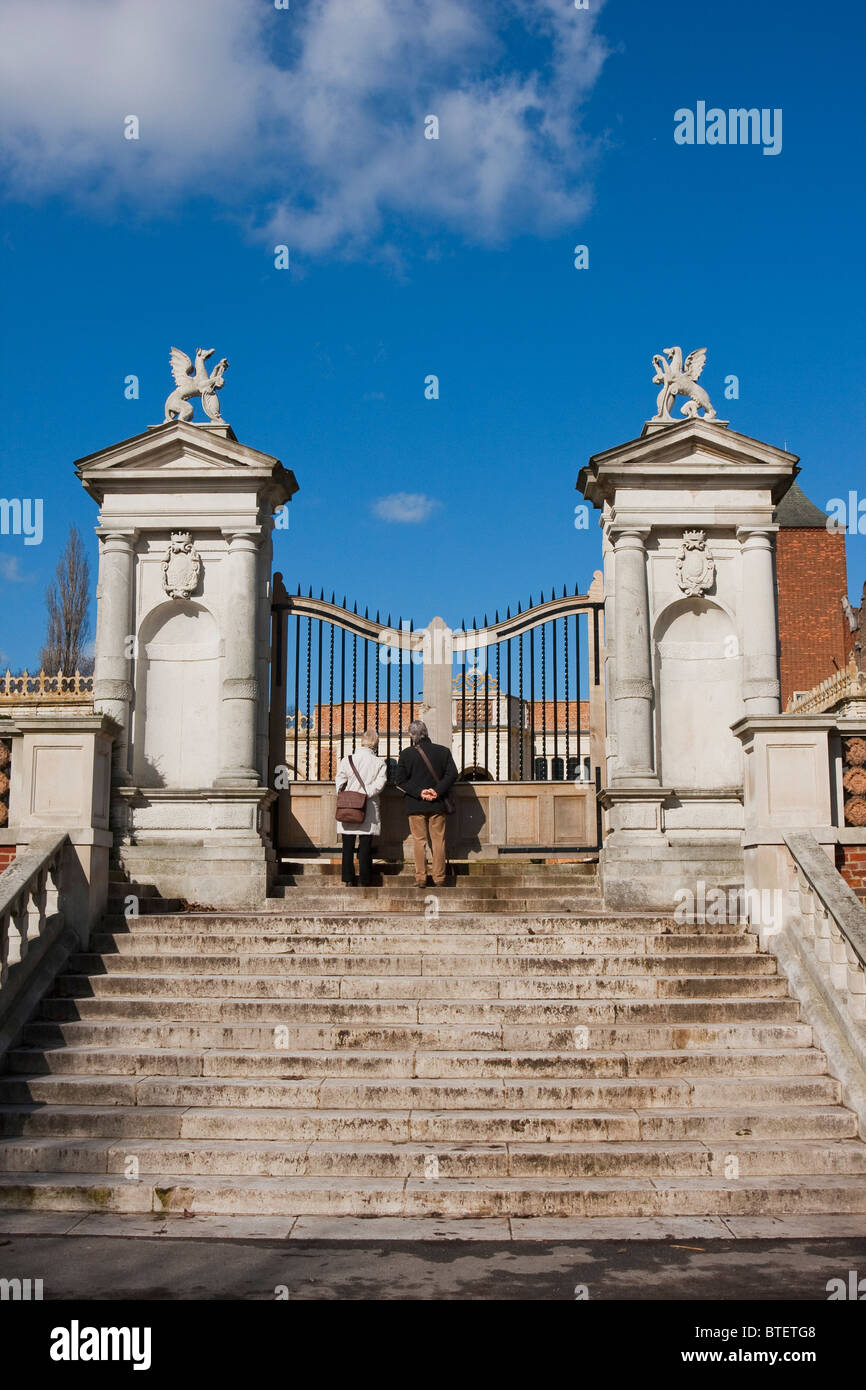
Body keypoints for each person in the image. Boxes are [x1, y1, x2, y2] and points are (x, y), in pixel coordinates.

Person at [394, 719, 458, 888]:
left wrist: (420, 792)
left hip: (415, 804)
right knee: (438, 841)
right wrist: (437, 791)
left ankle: (421, 878)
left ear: (411, 735)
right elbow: (452, 774)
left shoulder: (406, 754)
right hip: (437, 803)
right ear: (426, 732)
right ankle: (439, 878)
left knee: (419, 841)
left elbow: (399, 781)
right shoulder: (443, 751)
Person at [335, 730, 387, 887]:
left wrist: (347, 794)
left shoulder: (347, 760)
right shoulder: (379, 763)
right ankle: (365, 879)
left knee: (347, 844)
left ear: (362, 741)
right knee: (365, 845)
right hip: (368, 805)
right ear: (375, 743)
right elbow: (380, 784)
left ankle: (348, 878)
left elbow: (339, 781)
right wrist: (366, 793)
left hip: (348, 805)